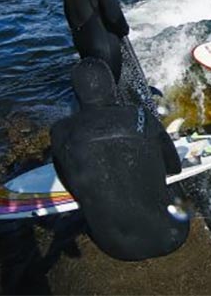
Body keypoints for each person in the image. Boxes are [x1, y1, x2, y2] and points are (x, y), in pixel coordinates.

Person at [50, 58, 188, 261]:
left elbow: (72, 187)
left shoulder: (60, 131)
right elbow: (174, 167)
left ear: (76, 94)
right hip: (174, 235)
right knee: (175, 186)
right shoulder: (142, 116)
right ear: (112, 88)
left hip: (117, 248)